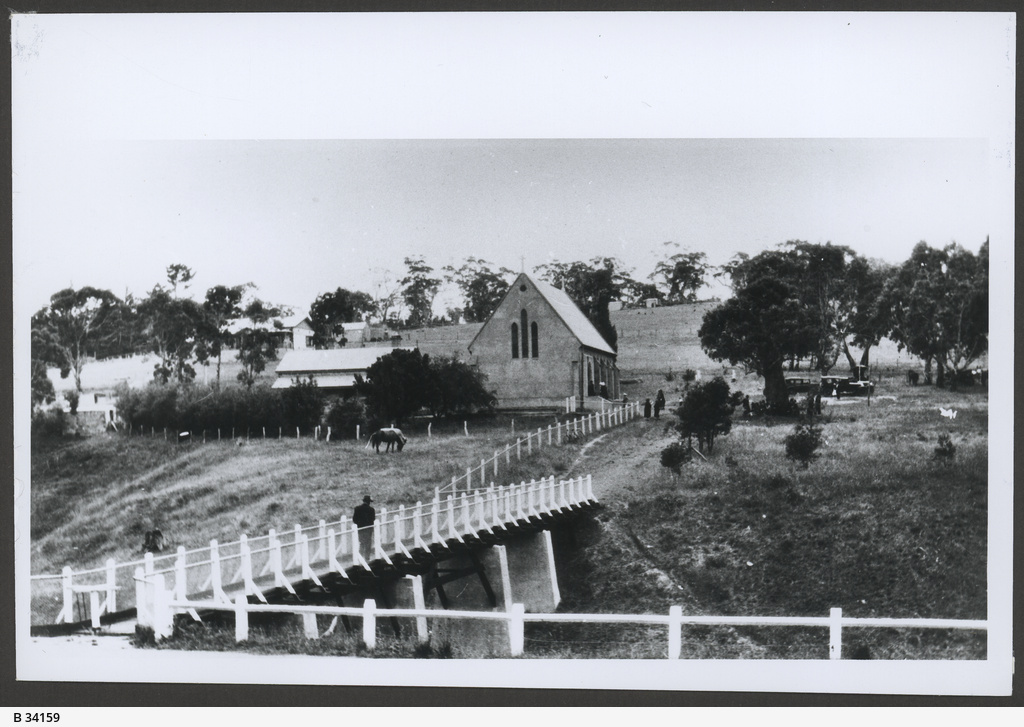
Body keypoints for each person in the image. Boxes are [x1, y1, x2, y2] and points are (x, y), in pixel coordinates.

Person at [353, 495, 376, 562]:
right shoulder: (371, 510)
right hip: (368, 529)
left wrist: (360, 524)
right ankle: (367, 558)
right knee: (368, 543)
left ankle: (360, 557)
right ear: (369, 502)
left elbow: (354, 520)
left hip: (360, 529)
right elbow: (373, 519)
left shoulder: (357, 508)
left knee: (361, 543)